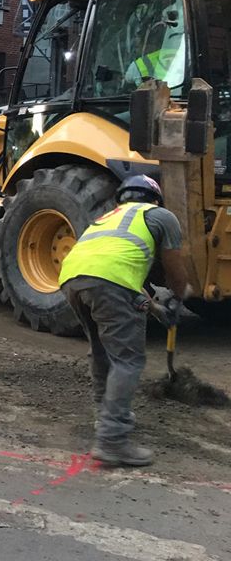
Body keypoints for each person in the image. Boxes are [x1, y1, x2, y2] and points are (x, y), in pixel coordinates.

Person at [58, 175, 191, 467]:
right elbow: (173, 267)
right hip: (108, 283)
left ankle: (104, 418)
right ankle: (112, 439)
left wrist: (154, 308)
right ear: (155, 198)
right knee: (127, 361)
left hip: (72, 279)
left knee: (102, 351)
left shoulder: (106, 218)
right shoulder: (161, 216)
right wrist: (180, 295)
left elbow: (117, 276)